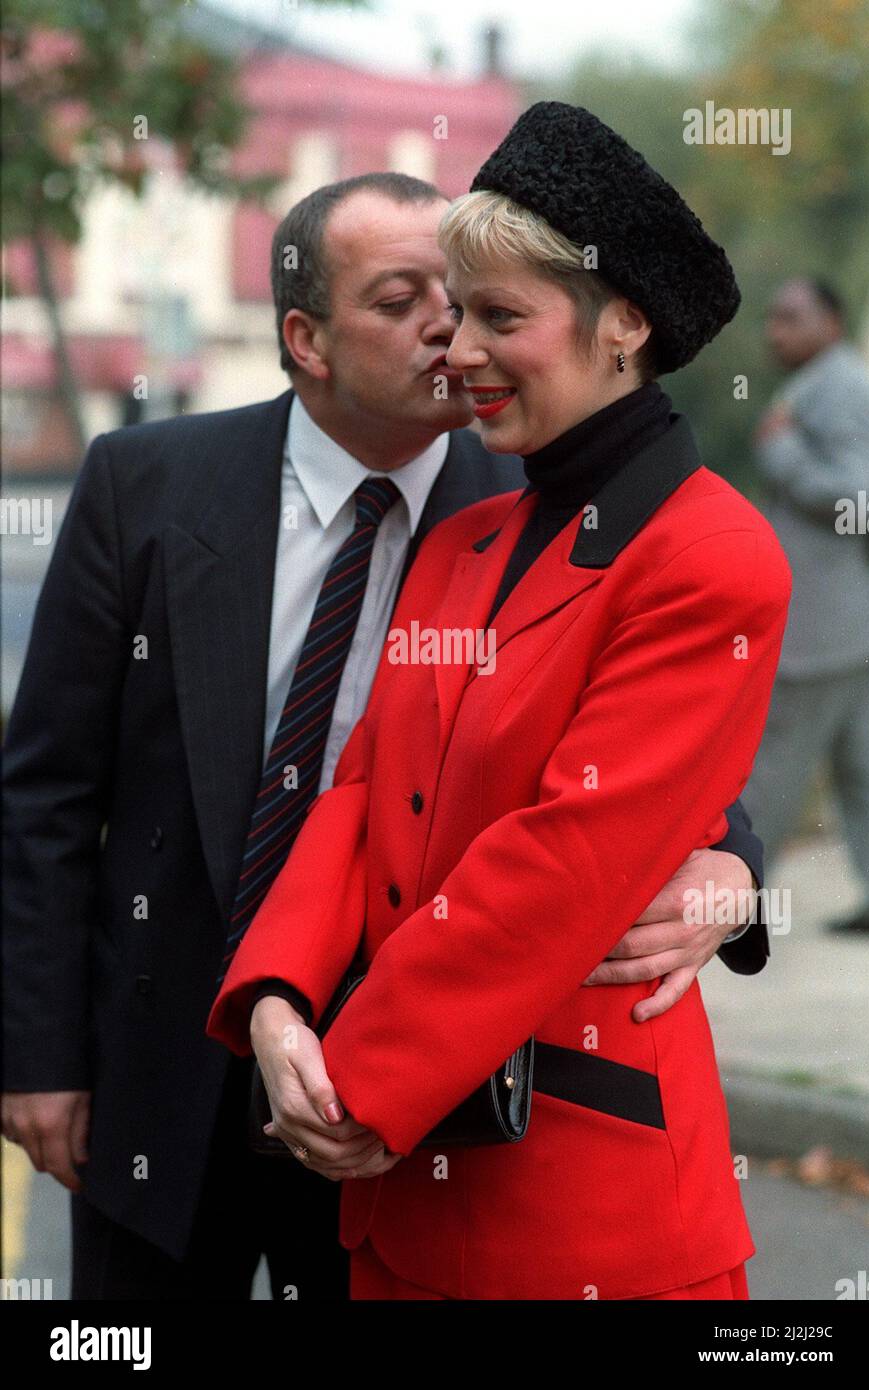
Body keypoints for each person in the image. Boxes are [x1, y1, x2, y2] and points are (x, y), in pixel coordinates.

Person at [2, 170, 762, 1301]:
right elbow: (48, 791)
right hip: (163, 1068)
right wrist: (41, 1056)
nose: (449, 335)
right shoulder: (145, 483)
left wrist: (734, 865)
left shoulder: (528, 500)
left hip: (428, 1107)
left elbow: (631, 770)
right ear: (306, 338)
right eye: (407, 300)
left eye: (472, 305)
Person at [207, 104, 792, 1301]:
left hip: (581, 1216)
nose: (456, 349)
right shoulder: (467, 537)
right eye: (452, 313)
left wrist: (357, 1081)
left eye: (499, 316)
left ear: (622, 324)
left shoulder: (713, 556)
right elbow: (359, 792)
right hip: (400, 1213)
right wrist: (274, 1002)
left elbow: (563, 859)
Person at [744, 278, 869, 934]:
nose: (776, 331)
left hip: (823, 625)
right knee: (864, 766)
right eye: (772, 318)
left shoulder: (839, 387)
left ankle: (737, 901)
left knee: (772, 763)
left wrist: (781, 452)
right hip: (849, 616)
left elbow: (859, 497)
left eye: (791, 318)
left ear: (830, 320)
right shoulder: (830, 380)